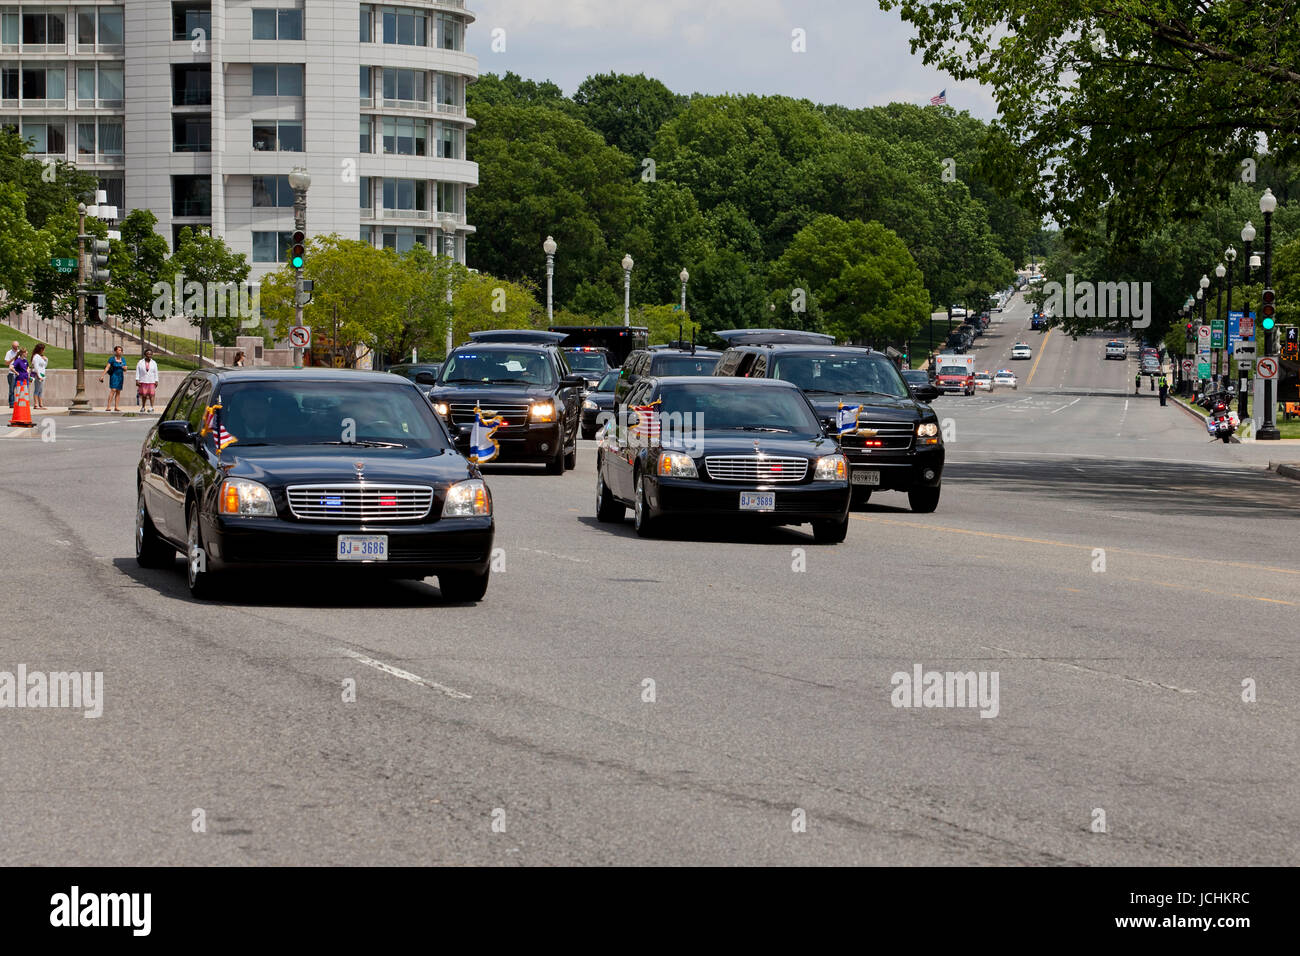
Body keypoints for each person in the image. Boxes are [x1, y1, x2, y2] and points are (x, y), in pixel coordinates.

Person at [99, 345, 126, 411]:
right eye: (119, 350)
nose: (120, 351)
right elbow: (107, 367)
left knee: (118, 391)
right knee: (113, 390)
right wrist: (102, 375)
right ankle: (108, 406)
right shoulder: (112, 359)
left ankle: (116, 407)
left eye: (121, 350)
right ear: (115, 351)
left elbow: (125, 369)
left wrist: (123, 366)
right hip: (114, 376)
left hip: (120, 376)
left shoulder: (123, 359)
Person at [135, 348, 159, 413]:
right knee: (144, 394)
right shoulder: (140, 362)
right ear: (145, 354)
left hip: (151, 380)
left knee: (152, 394)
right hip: (143, 380)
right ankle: (143, 407)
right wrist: (137, 380)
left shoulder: (154, 363)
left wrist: (156, 380)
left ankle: (151, 407)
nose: (149, 355)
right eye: (148, 354)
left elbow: (156, 372)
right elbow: (138, 371)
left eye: (150, 354)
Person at [30, 343, 48, 410]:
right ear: (41, 349)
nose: (44, 351)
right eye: (43, 349)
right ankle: (36, 404)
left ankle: (40, 404)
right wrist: (39, 375)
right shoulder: (36, 357)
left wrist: (46, 359)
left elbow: (44, 366)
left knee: (40, 390)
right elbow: (36, 367)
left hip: (42, 374)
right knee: (37, 389)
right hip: (38, 375)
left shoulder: (40, 357)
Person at [5, 340, 17, 407]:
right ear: (12, 346)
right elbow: (6, 363)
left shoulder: (19, 352)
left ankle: (18, 402)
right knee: (11, 389)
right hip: (11, 373)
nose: (16, 348)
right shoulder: (9, 353)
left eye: (17, 346)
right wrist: (13, 358)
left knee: (19, 389)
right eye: (15, 346)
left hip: (18, 373)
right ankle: (11, 403)